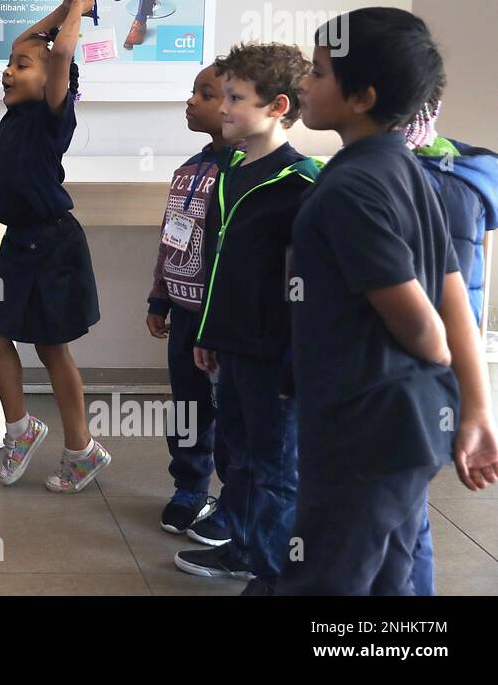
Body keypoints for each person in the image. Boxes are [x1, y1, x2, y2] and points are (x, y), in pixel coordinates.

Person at [278, 8, 497, 595]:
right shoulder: (409, 169)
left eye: (319, 72)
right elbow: (458, 302)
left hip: (366, 429)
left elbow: (428, 330)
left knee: (326, 578)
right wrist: (476, 410)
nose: (303, 82)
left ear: (362, 96)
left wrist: (439, 363)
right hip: (409, 426)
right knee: (392, 577)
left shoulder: (350, 188)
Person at [172, 44, 320, 595]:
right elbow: (220, 266)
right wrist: (209, 334)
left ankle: (275, 574)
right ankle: (242, 546)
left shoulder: (302, 184)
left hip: (275, 357)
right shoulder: (231, 168)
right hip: (231, 346)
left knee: (276, 467)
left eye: (236, 98)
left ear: (278, 106)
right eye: (223, 95)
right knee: (240, 457)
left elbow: (311, 288)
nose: (225, 108)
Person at [0, 0, 110, 493]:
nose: (10, 70)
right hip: (19, 243)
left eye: (22, 66)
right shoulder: (17, 113)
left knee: (53, 349)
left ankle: (81, 450)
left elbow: (62, 52)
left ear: (51, 79)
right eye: (10, 65)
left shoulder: (53, 115)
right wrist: (60, 10)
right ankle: (21, 429)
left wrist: (80, 9)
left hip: (52, 244)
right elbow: (32, 38)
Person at [405, 92, 498, 594]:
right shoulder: (467, 175)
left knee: (400, 520)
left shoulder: (428, 185)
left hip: (413, 371)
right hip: (432, 371)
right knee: (404, 516)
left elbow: (444, 298)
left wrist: (473, 407)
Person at [146, 64, 234, 544]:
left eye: (206, 93)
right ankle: (190, 487)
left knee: (231, 411)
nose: (192, 100)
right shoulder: (189, 172)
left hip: (226, 322)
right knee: (188, 405)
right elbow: (171, 241)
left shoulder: (245, 176)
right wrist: (159, 297)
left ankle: (235, 498)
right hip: (183, 313)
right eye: (194, 91)